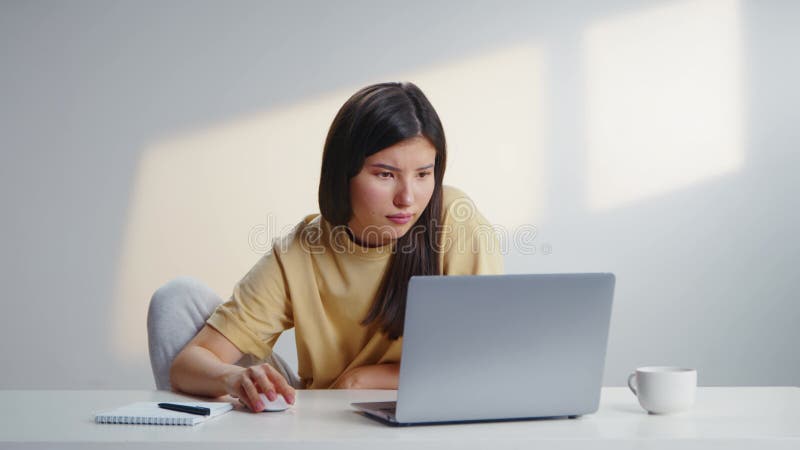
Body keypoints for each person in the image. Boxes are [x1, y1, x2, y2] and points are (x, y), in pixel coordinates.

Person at [151, 81, 503, 412]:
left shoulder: (454, 218)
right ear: (342, 173)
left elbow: (483, 358)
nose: (408, 198)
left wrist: (361, 380)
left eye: (424, 174)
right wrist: (234, 378)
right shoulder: (302, 250)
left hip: (417, 407)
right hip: (319, 414)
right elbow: (186, 366)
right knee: (177, 299)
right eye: (385, 174)